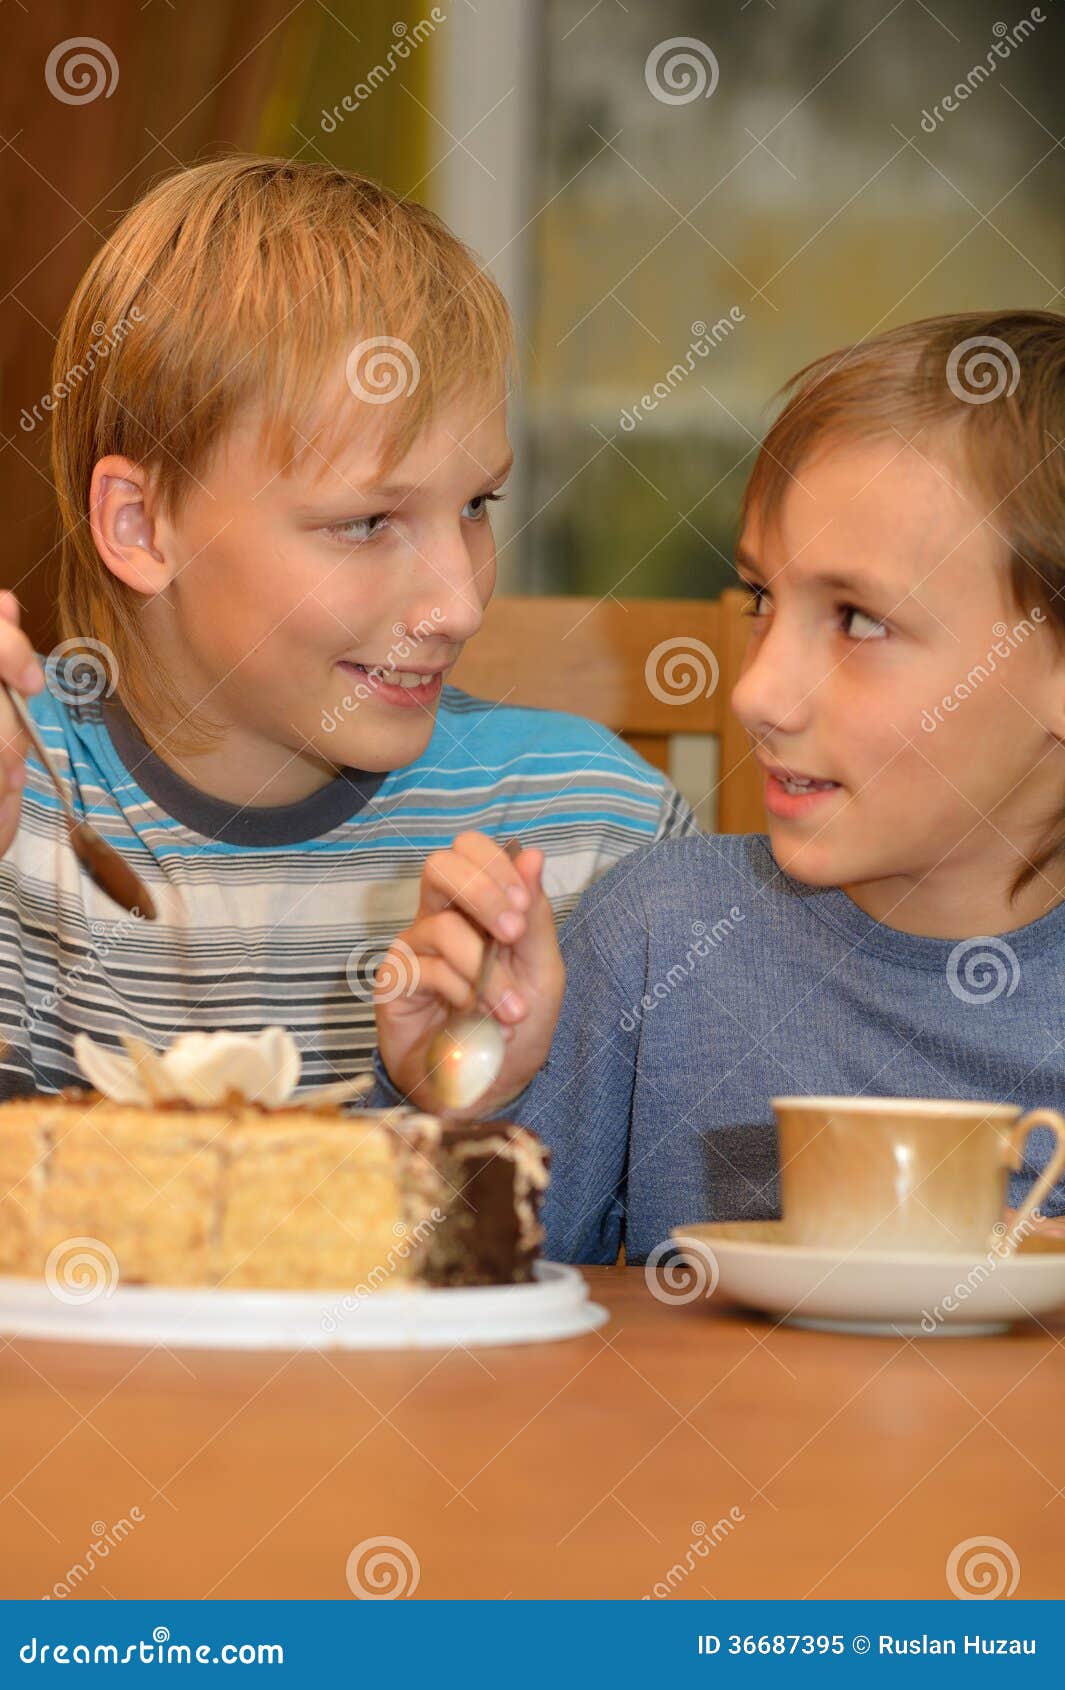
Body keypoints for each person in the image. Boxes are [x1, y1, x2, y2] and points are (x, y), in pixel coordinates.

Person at [373, 310, 1065, 1261]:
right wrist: (459, 1098)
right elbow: (420, 1314)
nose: (756, 692)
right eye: (761, 602)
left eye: (858, 621)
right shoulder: (659, 939)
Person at [0, 155, 693, 1098]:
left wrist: (457, 1094)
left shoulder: (594, 840)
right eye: (366, 523)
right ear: (140, 525)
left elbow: (661, 1231)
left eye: (478, 504)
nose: (459, 603)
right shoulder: (20, 824)